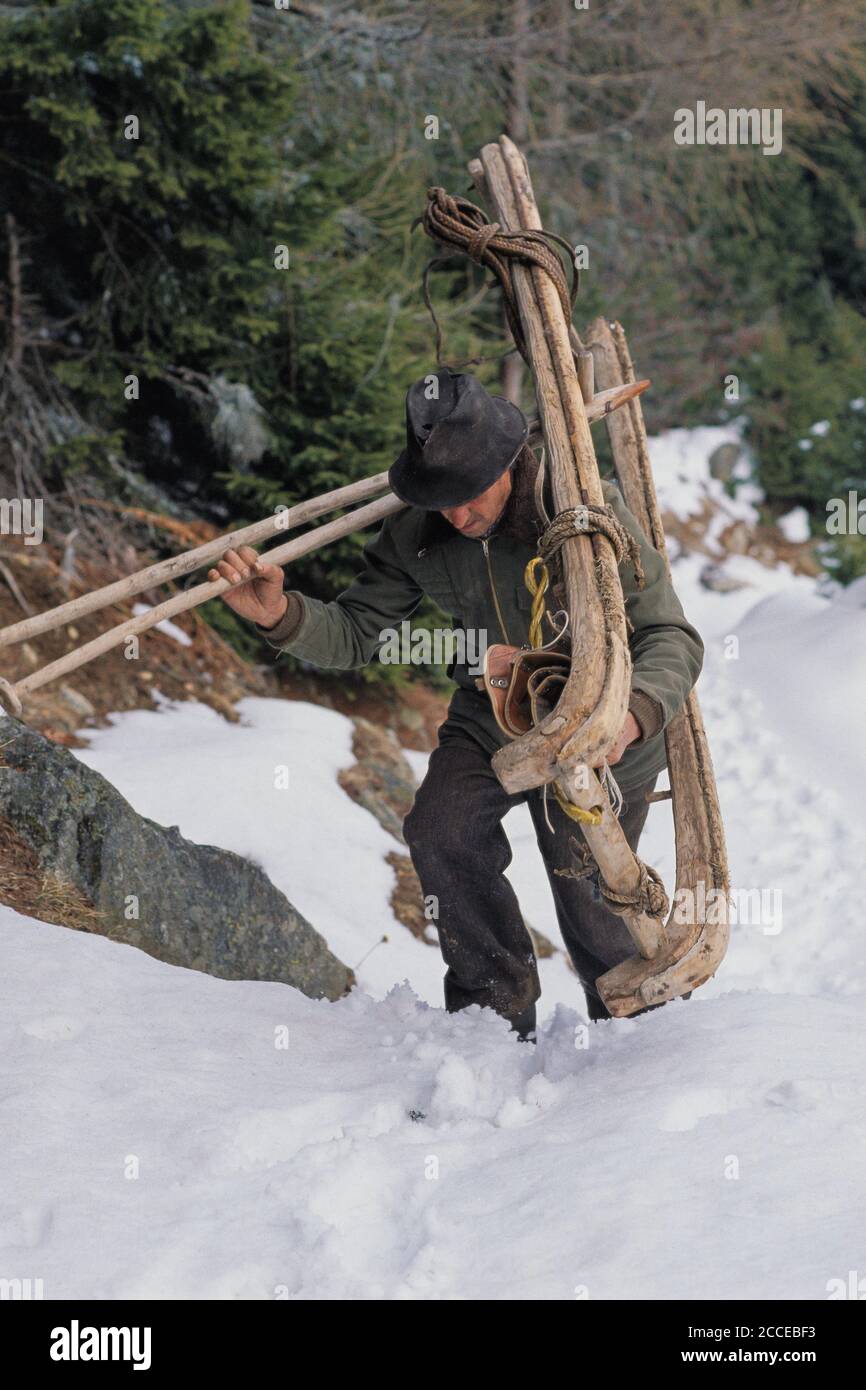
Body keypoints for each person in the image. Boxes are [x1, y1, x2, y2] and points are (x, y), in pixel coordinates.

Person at [210, 369, 703, 1039]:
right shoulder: (419, 524)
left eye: (468, 496)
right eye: (440, 498)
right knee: (441, 831)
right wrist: (281, 616)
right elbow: (358, 631)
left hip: (598, 724)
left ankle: (635, 1040)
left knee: (591, 896)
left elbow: (671, 635)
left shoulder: (586, 507)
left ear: (507, 461)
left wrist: (633, 714)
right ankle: (490, 1021)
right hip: (492, 714)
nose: (456, 515)